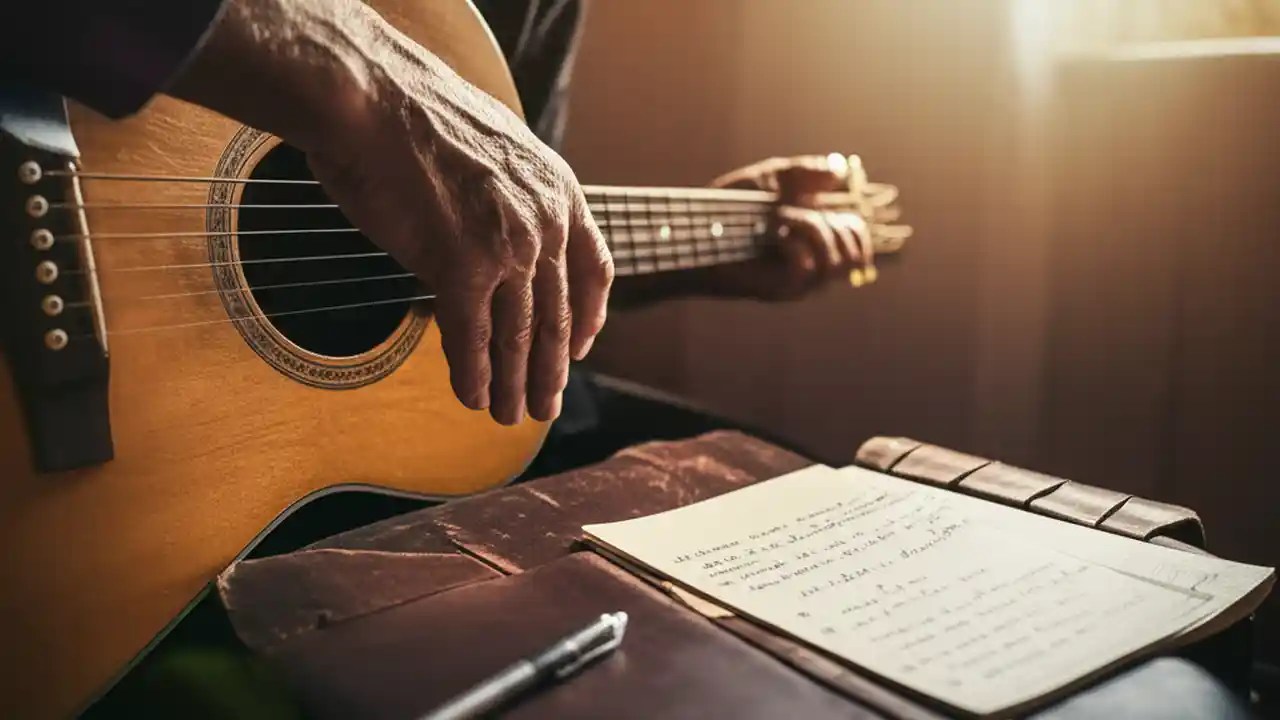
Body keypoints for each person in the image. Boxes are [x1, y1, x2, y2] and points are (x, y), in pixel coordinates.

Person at [3, 0, 872, 466]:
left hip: (293, 451)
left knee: (799, 485)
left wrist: (717, 247)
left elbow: (493, 244)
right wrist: (371, 80)